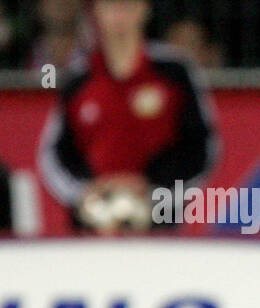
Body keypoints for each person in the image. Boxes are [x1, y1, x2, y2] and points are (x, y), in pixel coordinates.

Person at [37, 0, 218, 234]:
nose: (118, 16)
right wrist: (86, 191)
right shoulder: (77, 77)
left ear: (144, 10)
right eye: (110, 7)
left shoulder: (175, 70)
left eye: (126, 6)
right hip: (92, 225)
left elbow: (202, 146)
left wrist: (154, 188)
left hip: (159, 223)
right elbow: (55, 153)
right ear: (96, 13)